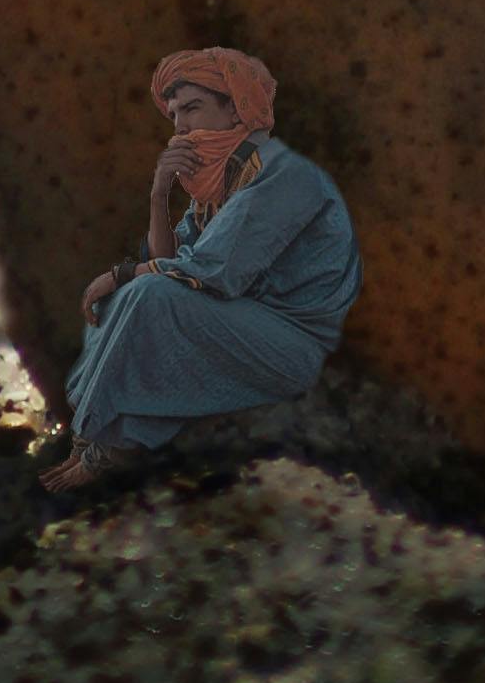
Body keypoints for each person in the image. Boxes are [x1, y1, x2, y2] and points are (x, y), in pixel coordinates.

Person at [42, 46, 360, 495]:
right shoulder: (219, 183)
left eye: (192, 108)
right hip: (238, 322)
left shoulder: (285, 176)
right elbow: (171, 259)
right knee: (129, 297)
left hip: (289, 344)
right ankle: (88, 438)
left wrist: (121, 274)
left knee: (147, 294)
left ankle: (107, 451)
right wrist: (159, 194)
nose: (180, 126)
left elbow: (214, 271)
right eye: (174, 114)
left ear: (236, 109)